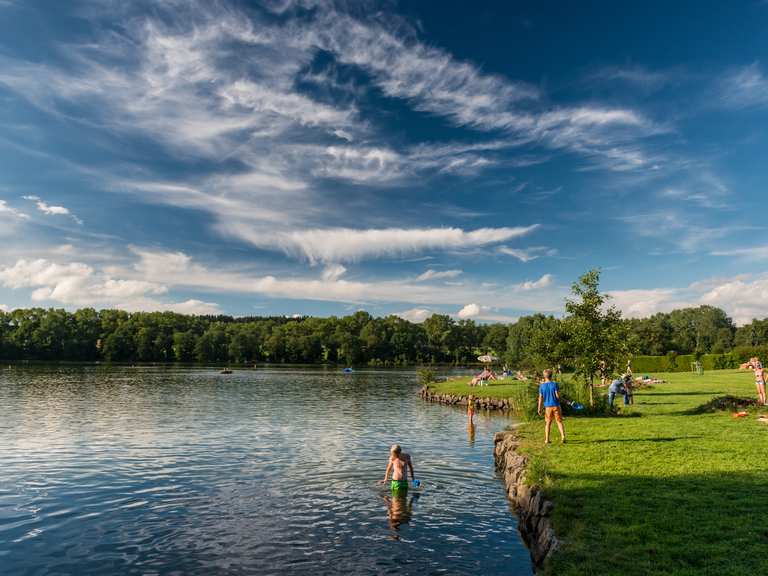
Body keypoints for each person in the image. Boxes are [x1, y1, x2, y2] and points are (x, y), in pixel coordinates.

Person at [537, 368, 566, 444]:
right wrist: (563, 400)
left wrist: (539, 408)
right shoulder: (555, 384)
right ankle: (563, 437)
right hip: (556, 405)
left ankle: (547, 439)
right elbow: (557, 396)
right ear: (551, 376)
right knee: (559, 421)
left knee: (548, 423)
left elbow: (540, 398)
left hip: (548, 407)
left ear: (544, 376)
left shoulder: (542, 386)